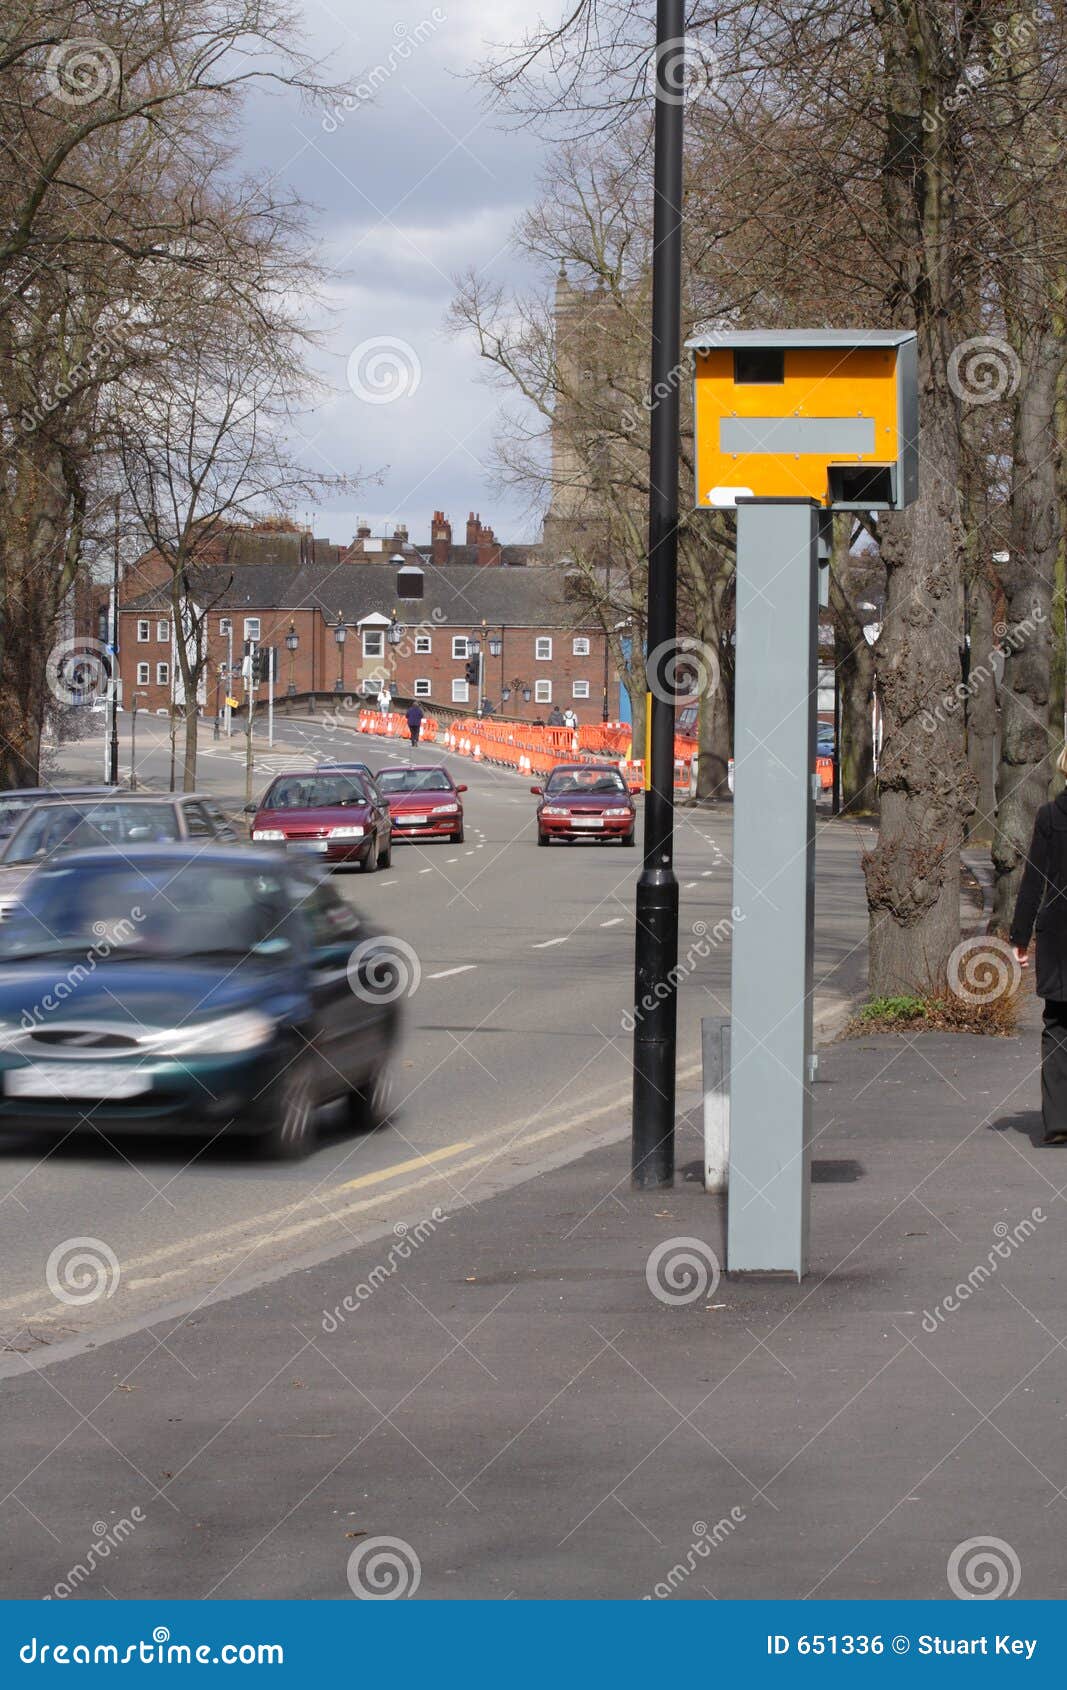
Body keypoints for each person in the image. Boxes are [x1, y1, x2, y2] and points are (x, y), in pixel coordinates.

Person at [1011, 745, 1067, 1144]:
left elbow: (1033, 880)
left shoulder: (1051, 816)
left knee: (1058, 1025)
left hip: (1058, 935)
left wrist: (1020, 936)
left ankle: (1059, 1122)